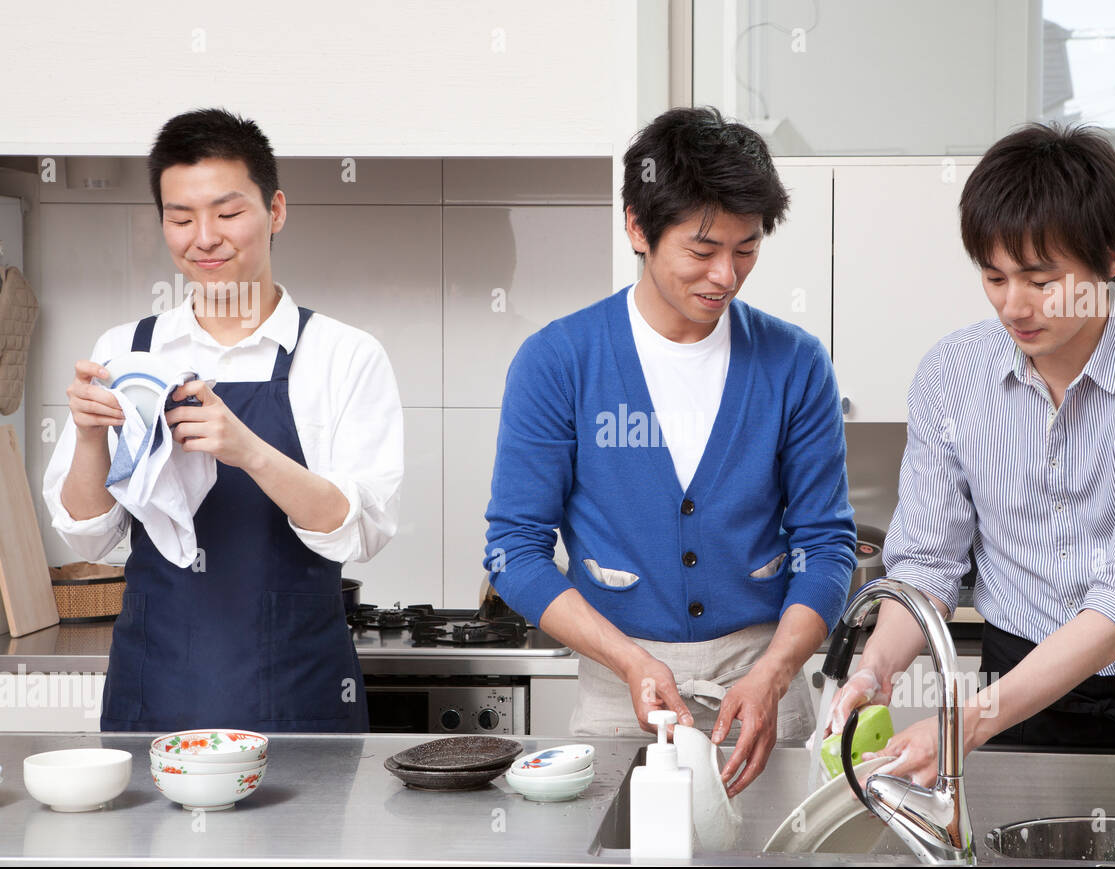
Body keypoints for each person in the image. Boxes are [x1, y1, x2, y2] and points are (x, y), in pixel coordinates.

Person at [829, 123, 1115, 781]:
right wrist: (876, 670)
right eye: (994, 277)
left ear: (1114, 254)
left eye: (1041, 280)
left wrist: (964, 724)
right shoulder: (952, 375)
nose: (1013, 307)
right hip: (1012, 692)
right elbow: (929, 562)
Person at [484, 107, 856, 796]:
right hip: (618, 691)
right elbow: (515, 550)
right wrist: (629, 660)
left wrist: (774, 672)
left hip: (765, 688)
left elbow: (826, 545)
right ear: (638, 227)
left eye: (746, 250)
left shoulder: (795, 364)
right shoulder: (559, 361)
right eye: (702, 249)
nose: (726, 275)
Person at [43, 108, 403, 732]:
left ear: (276, 211)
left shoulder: (343, 354)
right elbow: (89, 537)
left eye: (228, 213)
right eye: (180, 219)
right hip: (155, 691)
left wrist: (249, 450)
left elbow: (361, 533)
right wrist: (89, 436)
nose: (204, 238)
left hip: (298, 696)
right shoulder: (128, 352)